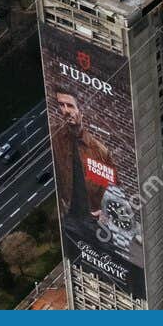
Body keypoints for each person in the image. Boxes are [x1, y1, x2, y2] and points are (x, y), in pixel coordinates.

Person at [53, 90, 116, 242]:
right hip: (67, 216)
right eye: (61, 105)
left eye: (70, 106)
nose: (66, 111)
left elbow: (109, 187)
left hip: (90, 219)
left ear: (81, 112)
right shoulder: (54, 136)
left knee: (108, 247)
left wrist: (103, 212)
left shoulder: (100, 151)